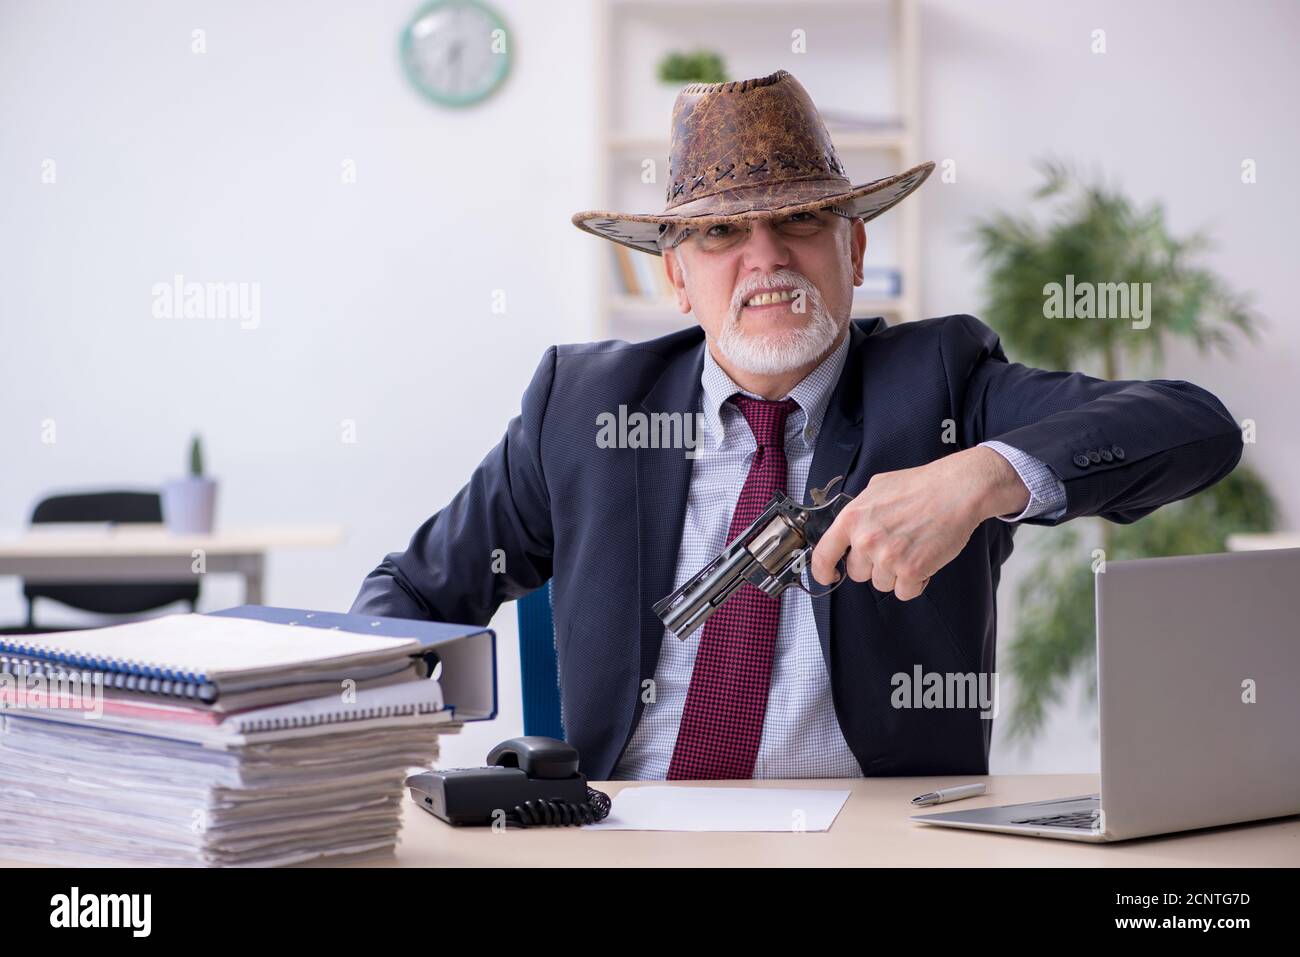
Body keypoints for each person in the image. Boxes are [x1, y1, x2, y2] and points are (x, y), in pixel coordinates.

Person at [351, 71, 1243, 781]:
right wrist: (332, 735)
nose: (766, 257)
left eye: (802, 222)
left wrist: (979, 477)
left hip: (876, 845)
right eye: (721, 233)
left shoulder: (943, 379)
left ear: (854, 250)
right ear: (675, 279)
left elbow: (1197, 426)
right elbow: (415, 593)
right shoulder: (581, 405)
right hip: (622, 840)